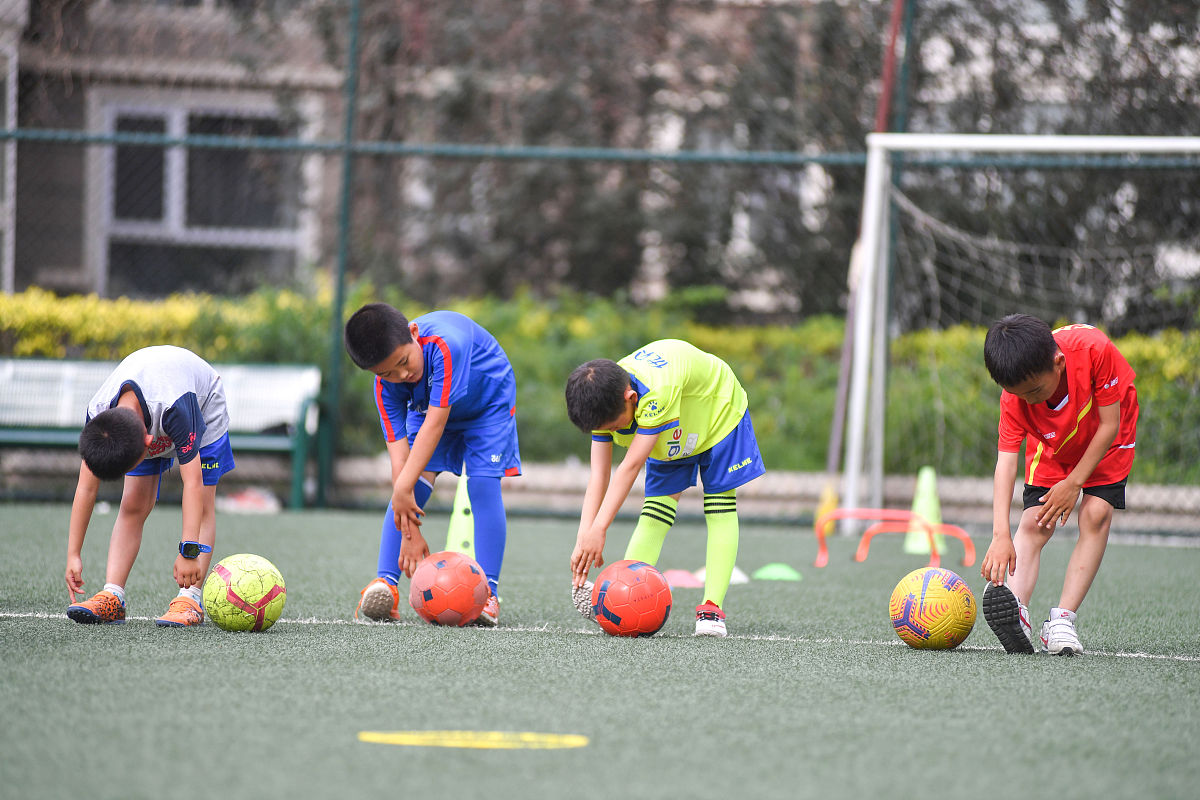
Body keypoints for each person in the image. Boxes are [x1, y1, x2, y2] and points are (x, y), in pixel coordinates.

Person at [565, 339, 765, 637]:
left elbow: (629, 468)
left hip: (718, 410)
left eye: (614, 427)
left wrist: (600, 529)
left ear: (631, 397)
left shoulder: (656, 394)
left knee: (719, 506)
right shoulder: (602, 399)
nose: (610, 433)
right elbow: (600, 474)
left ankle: (712, 608)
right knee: (655, 511)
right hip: (674, 423)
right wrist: (585, 533)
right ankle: (620, 600)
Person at [344, 303, 521, 626]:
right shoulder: (386, 386)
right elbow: (401, 460)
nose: (401, 376)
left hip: (487, 404)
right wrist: (409, 531)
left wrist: (402, 491)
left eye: (403, 363)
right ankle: (386, 584)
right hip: (429, 407)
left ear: (414, 334)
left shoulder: (443, 347)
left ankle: (488, 594)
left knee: (482, 484)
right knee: (410, 485)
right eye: (386, 373)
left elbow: (435, 425)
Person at [980, 315, 1138, 656]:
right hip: (1052, 441)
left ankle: (1062, 621)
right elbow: (1005, 463)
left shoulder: (1094, 350)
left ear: (1059, 363)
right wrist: (999, 535)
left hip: (1105, 433)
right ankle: (1016, 609)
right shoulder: (1017, 399)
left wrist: (1075, 483)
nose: (1031, 401)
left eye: (1036, 391)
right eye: (1020, 395)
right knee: (1034, 522)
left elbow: (1110, 424)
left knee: (1095, 514)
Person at [66, 345, 235, 627]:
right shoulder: (100, 417)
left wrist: (188, 552)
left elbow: (192, 483)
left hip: (202, 403)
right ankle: (113, 596)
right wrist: (73, 553)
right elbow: (86, 488)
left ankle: (190, 598)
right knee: (132, 503)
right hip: (152, 409)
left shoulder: (177, 409)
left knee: (203, 501)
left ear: (149, 444)